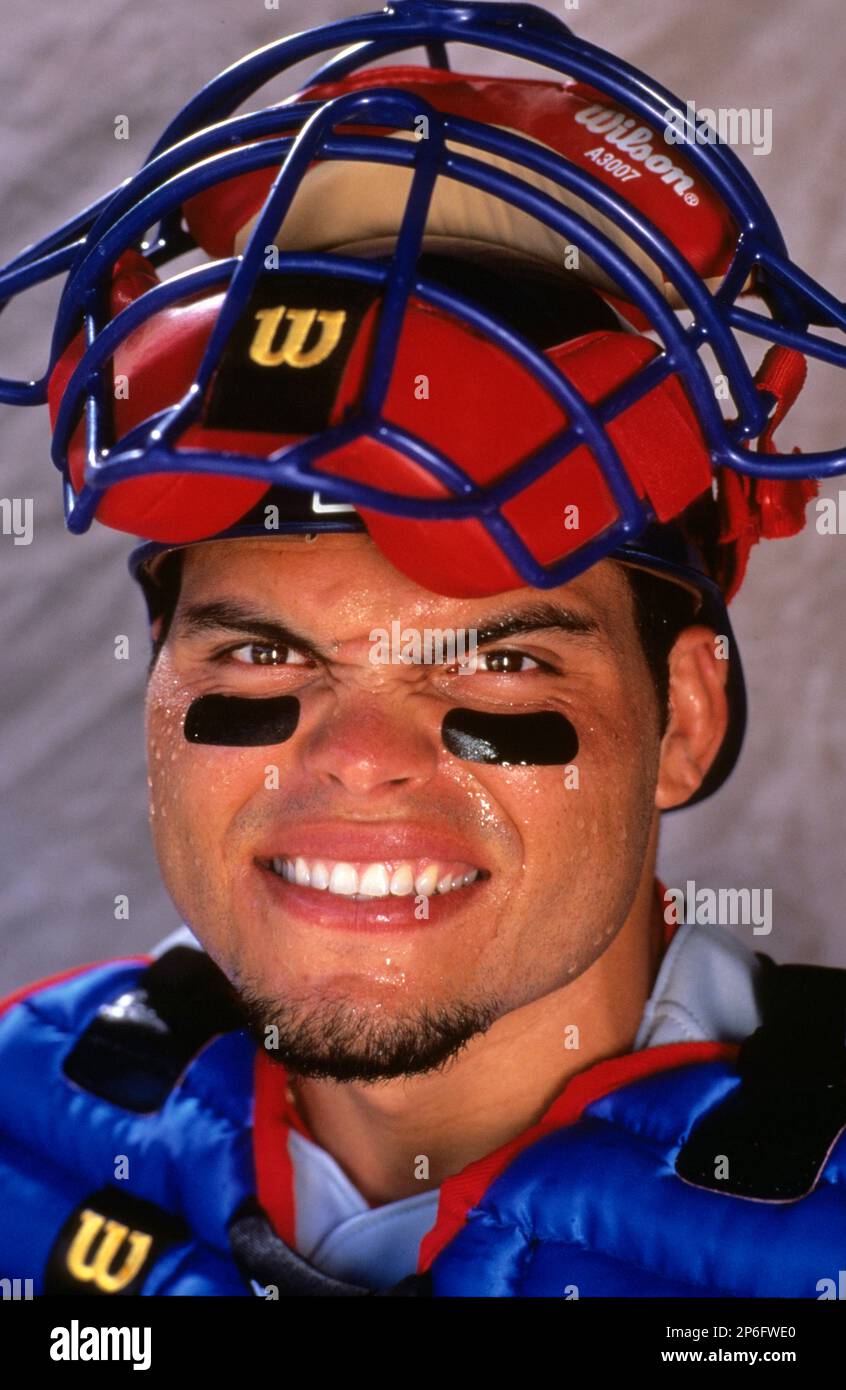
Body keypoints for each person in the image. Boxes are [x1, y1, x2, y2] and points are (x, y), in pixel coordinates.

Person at [1, 0, 845, 1298]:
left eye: (494, 664)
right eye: (261, 663)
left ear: (680, 717)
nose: (356, 762)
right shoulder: (22, 1128)